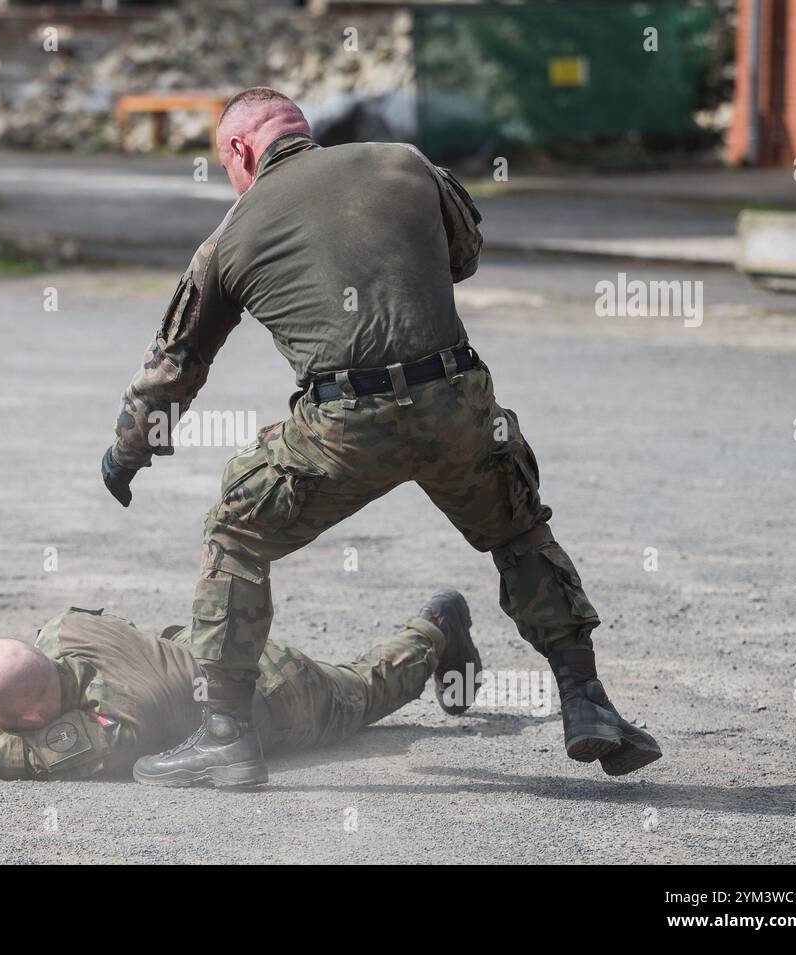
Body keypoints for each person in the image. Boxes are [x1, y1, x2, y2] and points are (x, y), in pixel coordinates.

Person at [100, 86, 660, 786]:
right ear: (300, 130)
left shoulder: (229, 237)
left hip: (344, 426)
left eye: (227, 165)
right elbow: (463, 255)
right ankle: (588, 704)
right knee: (518, 533)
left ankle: (226, 735)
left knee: (236, 532)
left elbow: (175, 367)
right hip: (456, 401)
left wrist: (129, 450)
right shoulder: (406, 162)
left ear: (241, 151)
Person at [0, 590, 479, 785]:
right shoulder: (64, 631)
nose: (8, 737)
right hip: (221, 650)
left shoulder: (113, 726)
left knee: (363, 693)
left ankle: (434, 629)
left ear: (37, 714)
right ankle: (431, 634)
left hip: (276, 694)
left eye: (10, 723)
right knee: (351, 681)